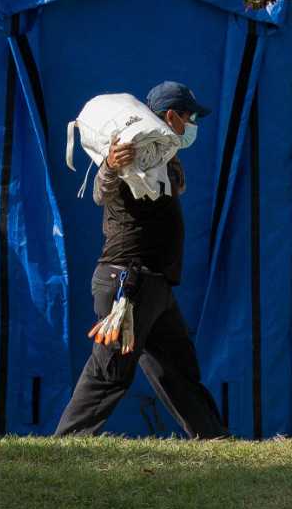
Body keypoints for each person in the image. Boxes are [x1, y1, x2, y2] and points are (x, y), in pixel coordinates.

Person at [52, 80, 227, 438]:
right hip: (127, 284)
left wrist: (163, 150)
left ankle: (214, 439)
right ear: (172, 116)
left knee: (178, 369)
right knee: (110, 370)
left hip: (156, 285)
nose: (193, 125)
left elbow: (177, 182)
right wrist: (112, 165)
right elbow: (102, 193)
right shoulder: (120, 161)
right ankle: (67, 444)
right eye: (190, 118)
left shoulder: (161, 157)